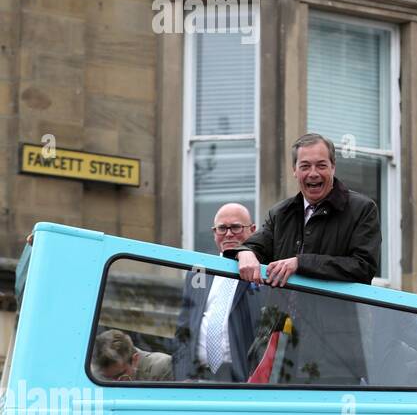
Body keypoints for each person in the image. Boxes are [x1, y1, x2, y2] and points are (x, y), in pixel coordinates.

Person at [229, 132, 380, 285]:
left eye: (321, 165)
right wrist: (245, 252)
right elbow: (254, 246)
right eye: (305, 166)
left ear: (333, 167)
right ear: (295, 170)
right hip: (281, 309)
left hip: (335, 309)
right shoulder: (280, 213)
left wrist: (300, 263)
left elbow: (363, 267)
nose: (313, 173)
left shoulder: (363, 209)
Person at [173, 204, 264, 382]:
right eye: (222, 228)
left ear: (252, 230)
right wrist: (181, 377)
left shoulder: (261, 272)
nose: (229, 234)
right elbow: (184, 328)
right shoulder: (198, 271)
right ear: (214, 233)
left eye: (236, 227)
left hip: (243, 380)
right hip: (195, 378)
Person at [92, 329, 172, 382]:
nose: (114, 383)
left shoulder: (162, 367)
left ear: (135, 359)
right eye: (107, 378)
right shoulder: (93, 373)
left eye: (120, 376)